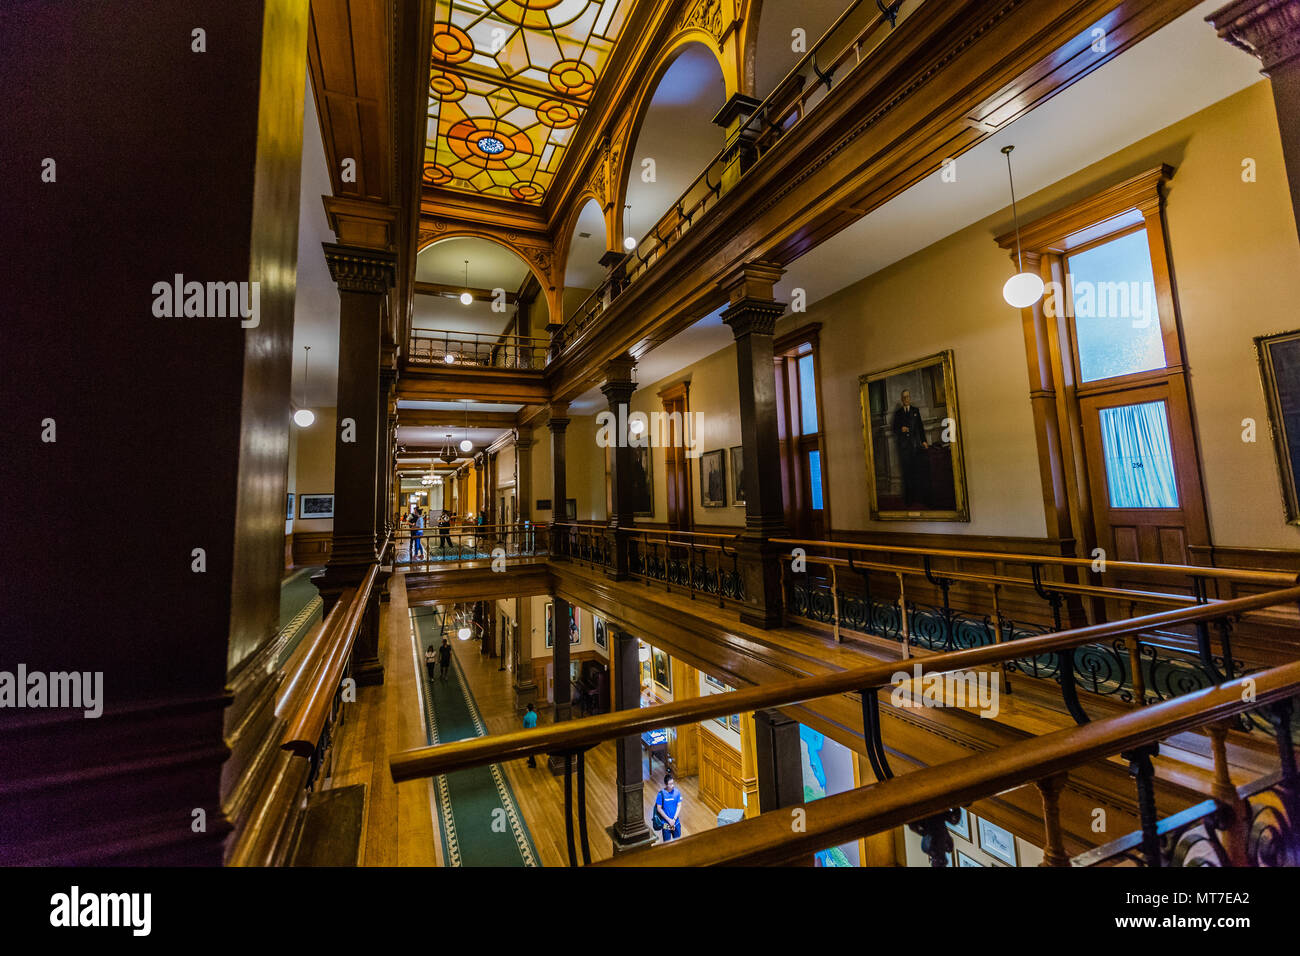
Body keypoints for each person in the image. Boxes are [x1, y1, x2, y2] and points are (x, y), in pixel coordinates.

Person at [891, 389, 932, 508]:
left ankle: (918, 497)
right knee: (906, 472)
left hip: (915, 446)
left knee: (916, 471)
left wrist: (924, 441)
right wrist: (900, 429)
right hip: (904, 448)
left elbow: (920, 428)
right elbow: (894, 429)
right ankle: (909, 499)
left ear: (910, 398)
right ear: (901, 399)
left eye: (907, 397)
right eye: (904, 397)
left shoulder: (915, 411)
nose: (906, 399)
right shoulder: (898, 413)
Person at [654, 772, 683, 842]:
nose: (672, 785)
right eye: (670, 784)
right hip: (665, 824)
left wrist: (674, 819)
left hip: (676, 823)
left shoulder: (677, 792)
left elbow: (679, 805)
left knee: (678, 842)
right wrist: (669, 820)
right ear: (666, 784)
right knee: (667, 843)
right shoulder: (661, 794)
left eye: (673, 783)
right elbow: (659, 808)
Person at [522, 703, 538, 767]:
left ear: (527, 709)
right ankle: (530, 760)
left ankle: (533, 763)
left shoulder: (526, 717)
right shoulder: (535, 714)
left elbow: (524, 726)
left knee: (530, 749)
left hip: (529, 733)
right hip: (535, 731)